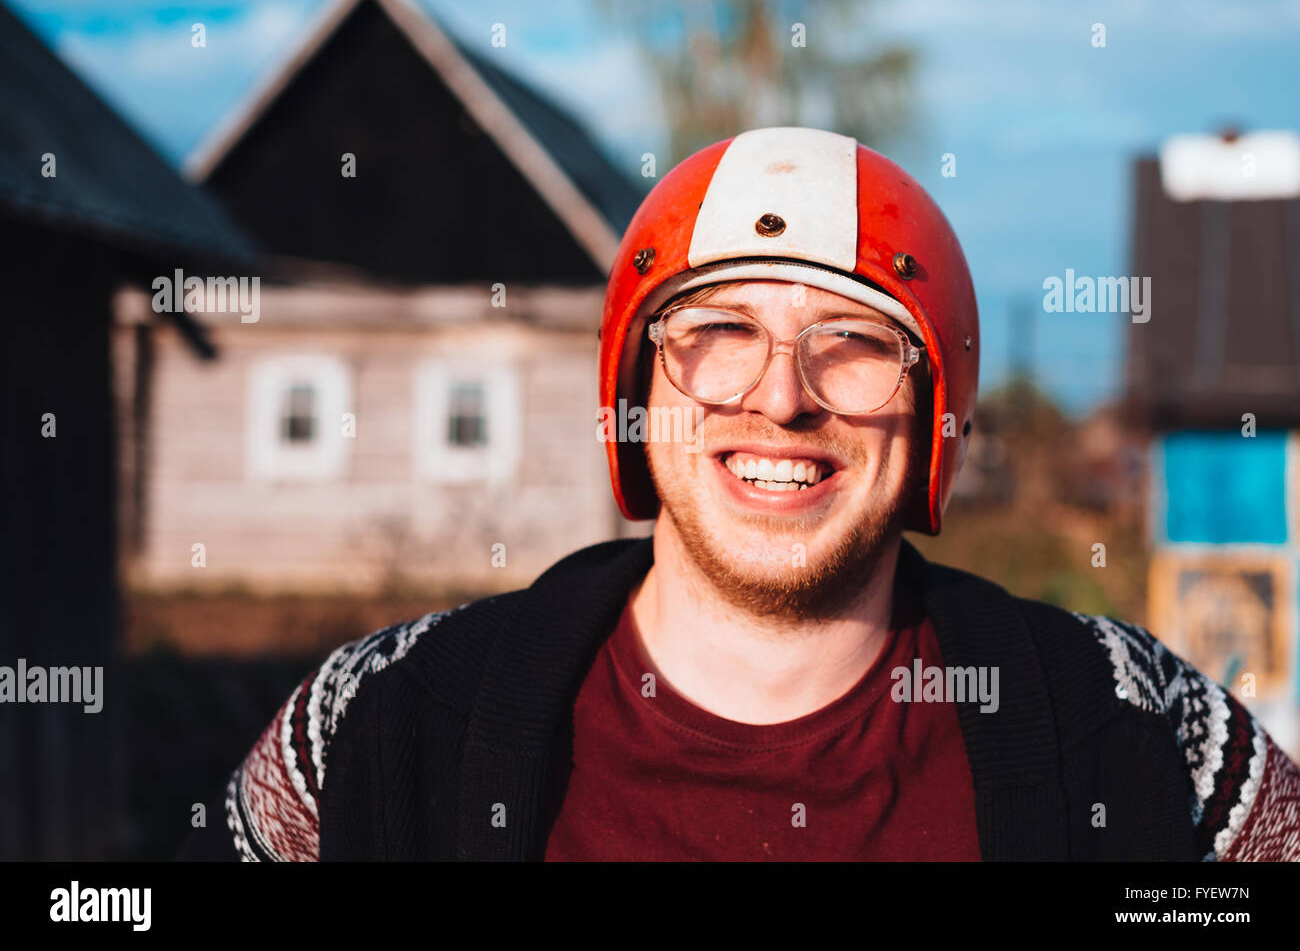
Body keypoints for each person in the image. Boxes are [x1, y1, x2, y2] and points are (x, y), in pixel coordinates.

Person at [181, 126, 1300, 861]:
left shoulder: (1126, 724)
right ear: (635, 379)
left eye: (852, 343)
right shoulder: (382, 722)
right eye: (716, 331)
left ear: (936, 406)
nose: (780, 399)